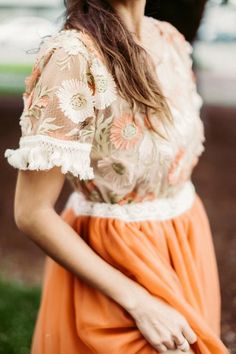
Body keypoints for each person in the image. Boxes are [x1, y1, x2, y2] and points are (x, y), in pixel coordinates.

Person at [4, 0, 229, 353]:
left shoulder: (167, 39)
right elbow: (31, 212)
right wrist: (138, 302)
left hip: (185, 241)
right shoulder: (72, 57)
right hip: (116, 264)